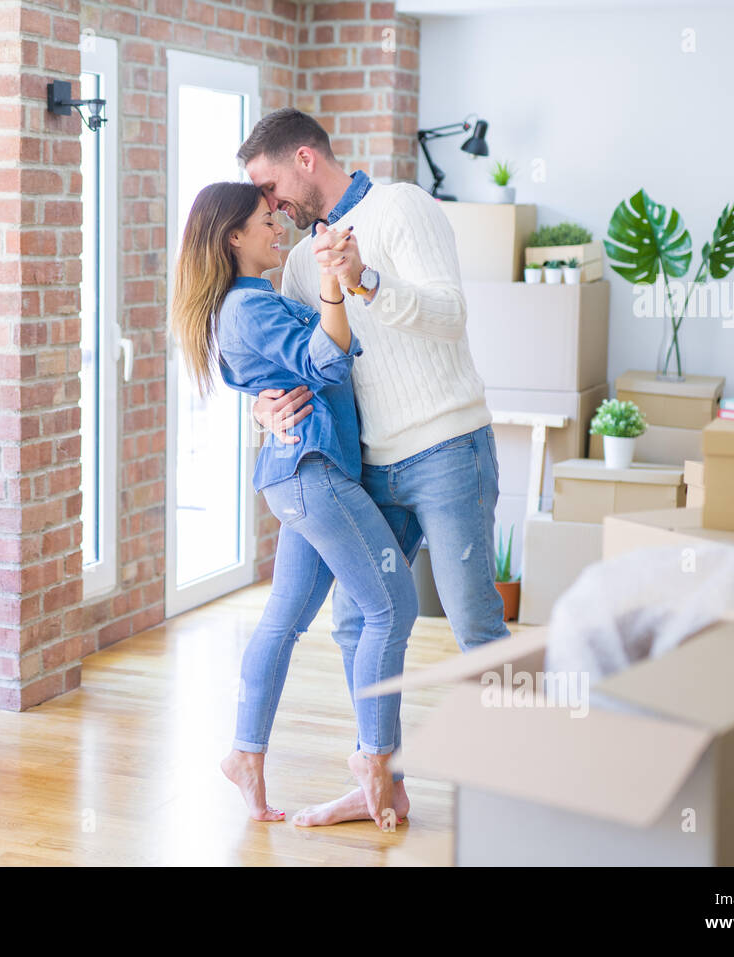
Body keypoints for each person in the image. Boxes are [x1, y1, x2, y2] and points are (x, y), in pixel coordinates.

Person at [237, 107, 510, 827]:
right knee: (359, 622)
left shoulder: (403, 207)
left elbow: (451, 315)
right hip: (370, 465)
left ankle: (524, 788)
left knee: (475, 623)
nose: (271, 205)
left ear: (304, 159)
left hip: (448, 446)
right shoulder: (296, 265)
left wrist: (366, 280)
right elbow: (290, 362)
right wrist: (260, 411)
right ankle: (379, 783)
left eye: (269, 186)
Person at [170, 180, 417, 830]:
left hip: (300, 469)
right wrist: (336, 282)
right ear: (233, 237)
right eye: (264, 220)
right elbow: (327, 362)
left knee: (284, 619)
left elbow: (286, 372)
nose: (278, 228)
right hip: (312, 472)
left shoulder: (249, 300)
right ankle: (377, 765)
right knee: (391, 605)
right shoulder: (250, 306)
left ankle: (245, 755)